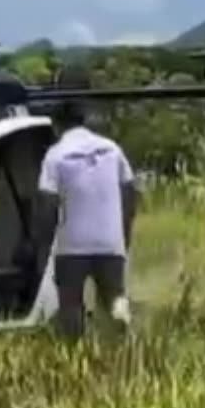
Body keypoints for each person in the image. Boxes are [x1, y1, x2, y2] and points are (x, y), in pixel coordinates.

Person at [30, 102, 139, 341]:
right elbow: (130, 193)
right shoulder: (112, 149)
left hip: (72, 245)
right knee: (115, 299)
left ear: (57, 126)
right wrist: (124, 235)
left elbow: (47, 205)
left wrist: (42, 247)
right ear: (84, 121)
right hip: (110, 242)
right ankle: (122, 345)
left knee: (70, 304)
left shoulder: (55, 155)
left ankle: (74, 349)